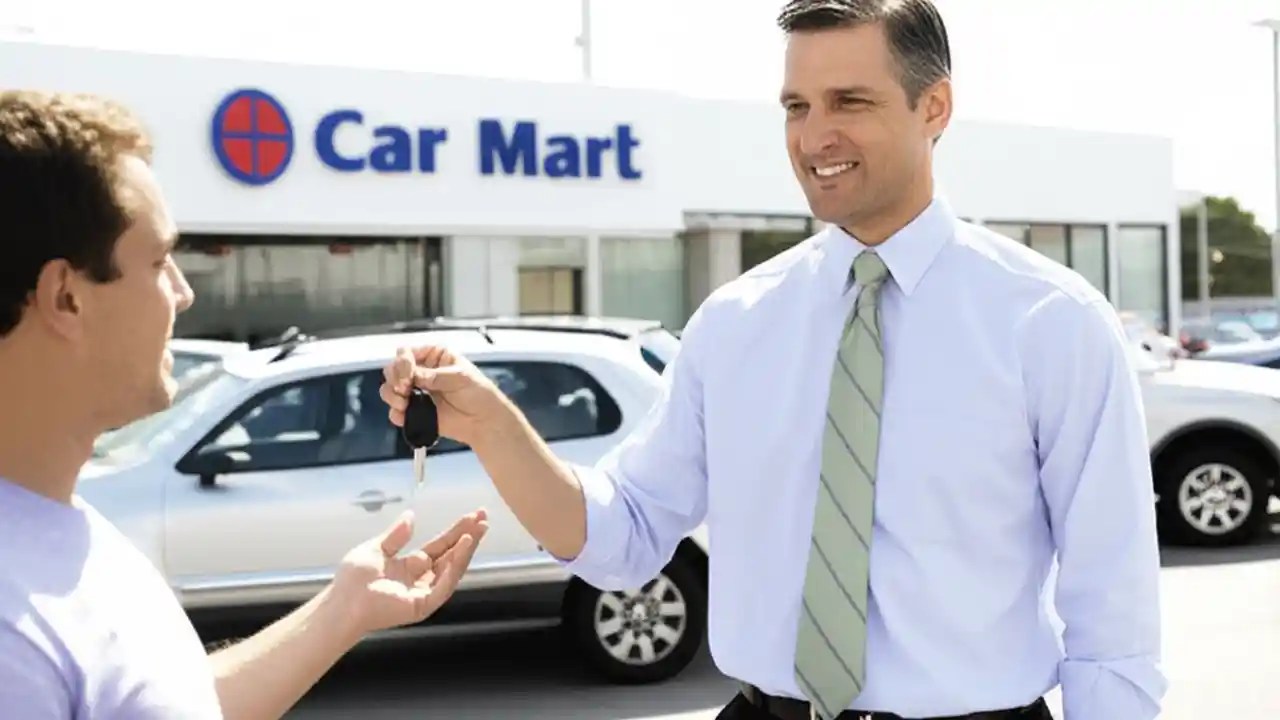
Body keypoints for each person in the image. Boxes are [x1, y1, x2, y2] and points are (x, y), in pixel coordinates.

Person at [382, 1, 1167, 718]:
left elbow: (1114, 617)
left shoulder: (1051, 324)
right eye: (797, 106)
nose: (813, 135)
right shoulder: (735, 324)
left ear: (936, 107)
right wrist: (490, 426)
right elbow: (622, 537)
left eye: (848, 102)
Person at [0, 89, 489, 719]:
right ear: (66, 297)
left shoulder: (62, 528)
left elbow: (173, 704)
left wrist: (346, 609)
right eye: (158, 261)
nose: (182, 294)